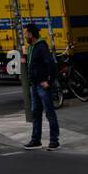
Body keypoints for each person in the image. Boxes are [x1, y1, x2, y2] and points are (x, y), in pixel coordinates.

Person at [24, 22, 60, 150]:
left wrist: (48, 81)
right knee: (36, 113)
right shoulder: (32, 47)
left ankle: (54, 141)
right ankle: (36, 140)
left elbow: (51, 64)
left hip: (42, 85)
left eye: (26, 33)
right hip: (35, 85)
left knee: (49, 113)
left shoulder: (41, 47)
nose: (25, 36)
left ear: (31, 34)